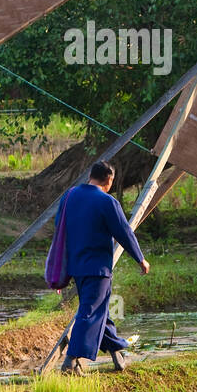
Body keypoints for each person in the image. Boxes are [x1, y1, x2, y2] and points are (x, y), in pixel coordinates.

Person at [56, 160, 150, 375]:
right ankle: (70, 361)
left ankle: (117, 352)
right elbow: (124, 232)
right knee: (90, 312)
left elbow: (60, 231)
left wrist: (62, 264)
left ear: (91, 176)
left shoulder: (69, 197)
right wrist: (140, 259)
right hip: (97, 269)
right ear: (109, 180)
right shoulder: (106, 201)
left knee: (100, 310)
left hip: (76, 266)